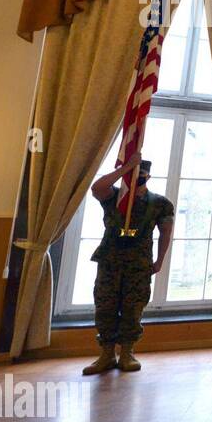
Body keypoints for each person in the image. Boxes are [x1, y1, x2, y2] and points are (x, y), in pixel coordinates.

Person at [84, 155, 174, 375]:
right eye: (132, 176)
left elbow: (165, 234)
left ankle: (127, 352)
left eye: (140, 175)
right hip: (110, 261)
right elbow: (97, 187)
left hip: (139, 264)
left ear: (148, 177)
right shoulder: (115, 197)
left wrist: (160, 261)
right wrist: (126, 167)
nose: (136, 179)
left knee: (133, 309)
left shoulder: (160, 204)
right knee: (105, 307)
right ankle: (106, 354)